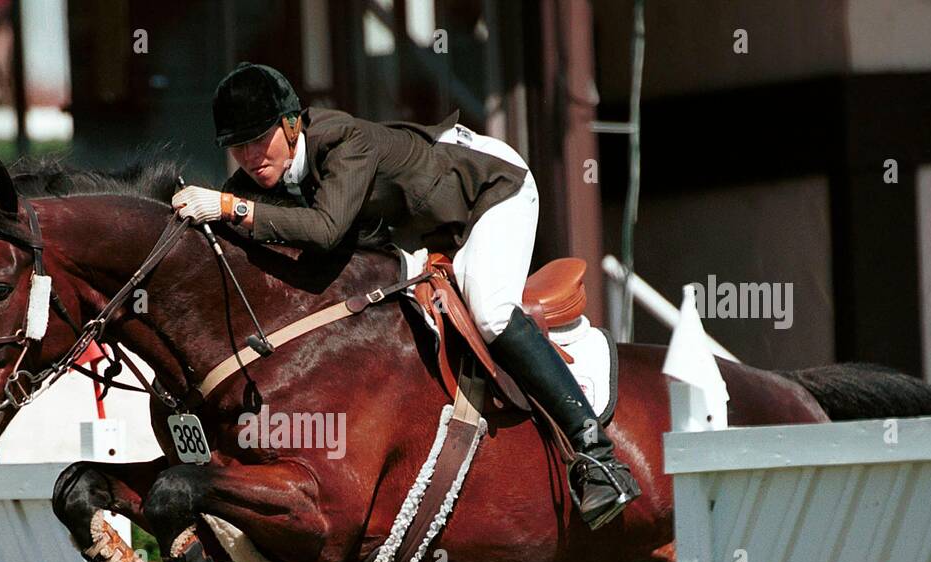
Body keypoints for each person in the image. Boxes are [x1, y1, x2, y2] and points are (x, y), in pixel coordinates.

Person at [172, 62, 640, 530]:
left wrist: (230, 207)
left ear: (292, 124)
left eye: (259, 138)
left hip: (489, 191)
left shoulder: (341, 141)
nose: (250, 156)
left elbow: (326, 229)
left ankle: (596, 454)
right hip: (431, 226)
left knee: (491, 311)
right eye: (237, 146)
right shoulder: (254, 182)